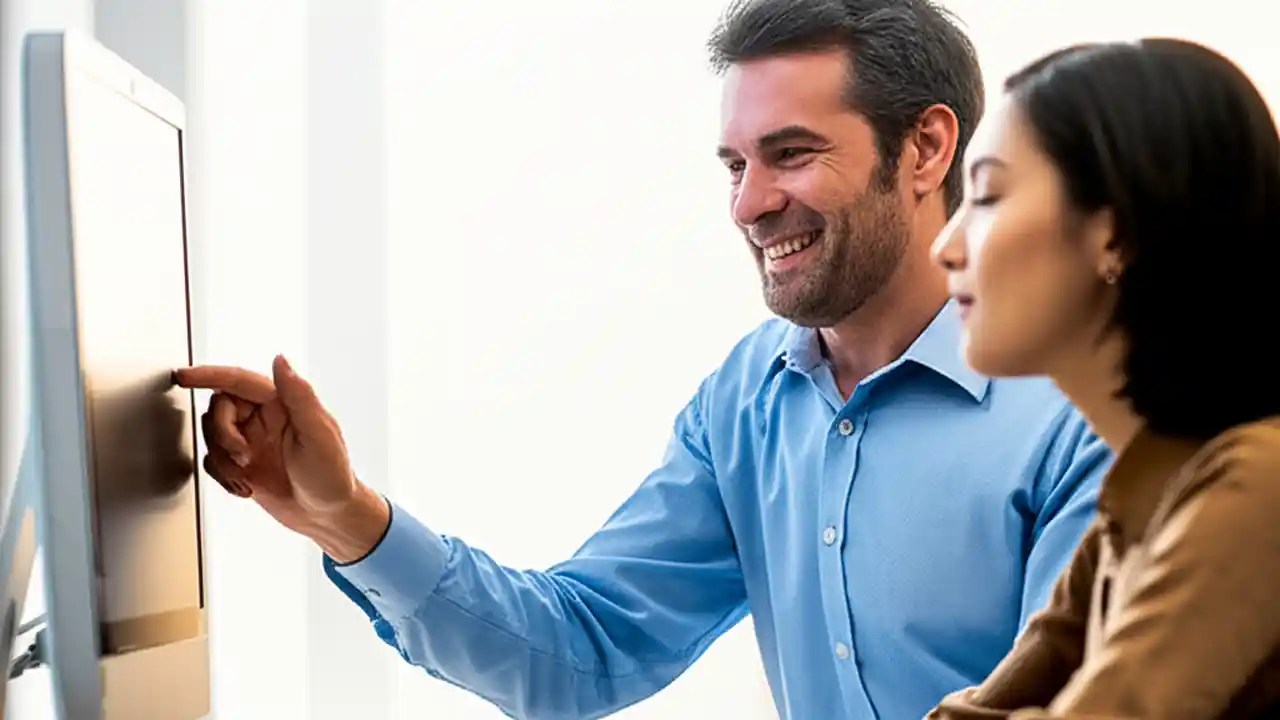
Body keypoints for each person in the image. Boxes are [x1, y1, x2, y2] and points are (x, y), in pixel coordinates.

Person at [175, 1, 1112, 718]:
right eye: (734, 166)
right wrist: (348, 520)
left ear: (926, 147)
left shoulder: (1087, 407)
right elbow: (580, 650)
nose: (748, 205)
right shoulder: (745, 406)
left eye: (790, 154)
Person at [927, 38, 1280, 719]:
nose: (948, 245)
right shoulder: (1134, 510)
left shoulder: (1259, 482)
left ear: (1113, 233)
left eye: (989, 195)